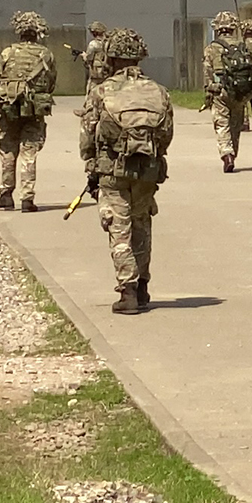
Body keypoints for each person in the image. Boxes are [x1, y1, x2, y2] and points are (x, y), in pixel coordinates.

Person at [78, 27, 174, 315]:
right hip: (148, 169)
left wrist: (90, 164)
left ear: (110, 57)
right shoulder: (159, 91)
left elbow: (87, 135)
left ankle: (127, 290)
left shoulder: (100, 91)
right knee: (141, 223)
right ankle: (143, 285)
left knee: (119, 228)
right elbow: (166, 134)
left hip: (112, 171)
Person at [0, 10, 57, 212]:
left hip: (9, 108)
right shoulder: (46, 54)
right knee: (29, 153)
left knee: (8, 150)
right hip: (35, 110)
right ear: (37, 33)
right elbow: (51, 82)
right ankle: (27, 198)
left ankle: (6, 194)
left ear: (19, 32)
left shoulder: (7, 52)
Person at [202, 12, 252, 171]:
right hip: (240, 91)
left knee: (222, 122)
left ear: (217, 28)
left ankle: (227, 154)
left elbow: (207, 70)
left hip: (221, 91)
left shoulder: (212, 48)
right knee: (236, 124)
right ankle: (234, 153)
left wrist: (209, 87)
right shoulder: (242, 46)